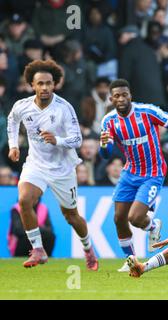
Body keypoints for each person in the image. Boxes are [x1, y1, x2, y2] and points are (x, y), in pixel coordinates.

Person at [6, 59, 98, 270]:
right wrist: (14, 146)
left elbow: (77, 140)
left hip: (62, 169)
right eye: (40, 83)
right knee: (24, 200)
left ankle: (88, 249)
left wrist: (58, 140)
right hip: (36, 165)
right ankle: (38, 250)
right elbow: (12, 121)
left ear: (55, 84)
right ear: (32, 85)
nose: (45, 87)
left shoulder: (64, 108)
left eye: (49, 83)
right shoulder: (22, 106)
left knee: (72, 217)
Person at [99, 79, 168, 272]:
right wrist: (103, 145)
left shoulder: (148, 111)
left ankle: (152, 226)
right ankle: (131, 260)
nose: (121, 99)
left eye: (124, 94)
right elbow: (106, 154)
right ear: (111, 99)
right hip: (130, 172)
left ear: (130, 95)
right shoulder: (108, 121)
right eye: (116, 96)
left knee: (135, 218)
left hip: (153, 172)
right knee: (118, 218)